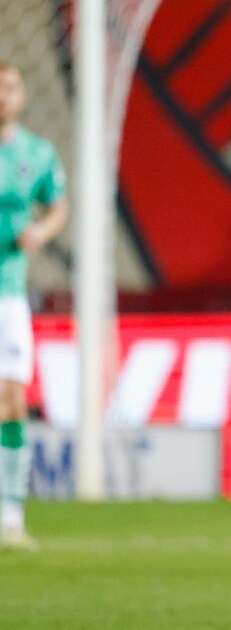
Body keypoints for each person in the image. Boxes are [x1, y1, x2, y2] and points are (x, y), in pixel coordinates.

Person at [0, 62, 69, 551]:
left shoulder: (36, 154)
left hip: (9, 291)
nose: (3, 96)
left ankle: (10, 516)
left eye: (10, 87)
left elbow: (58, 202)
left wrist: (42, 230)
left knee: (12, 401)